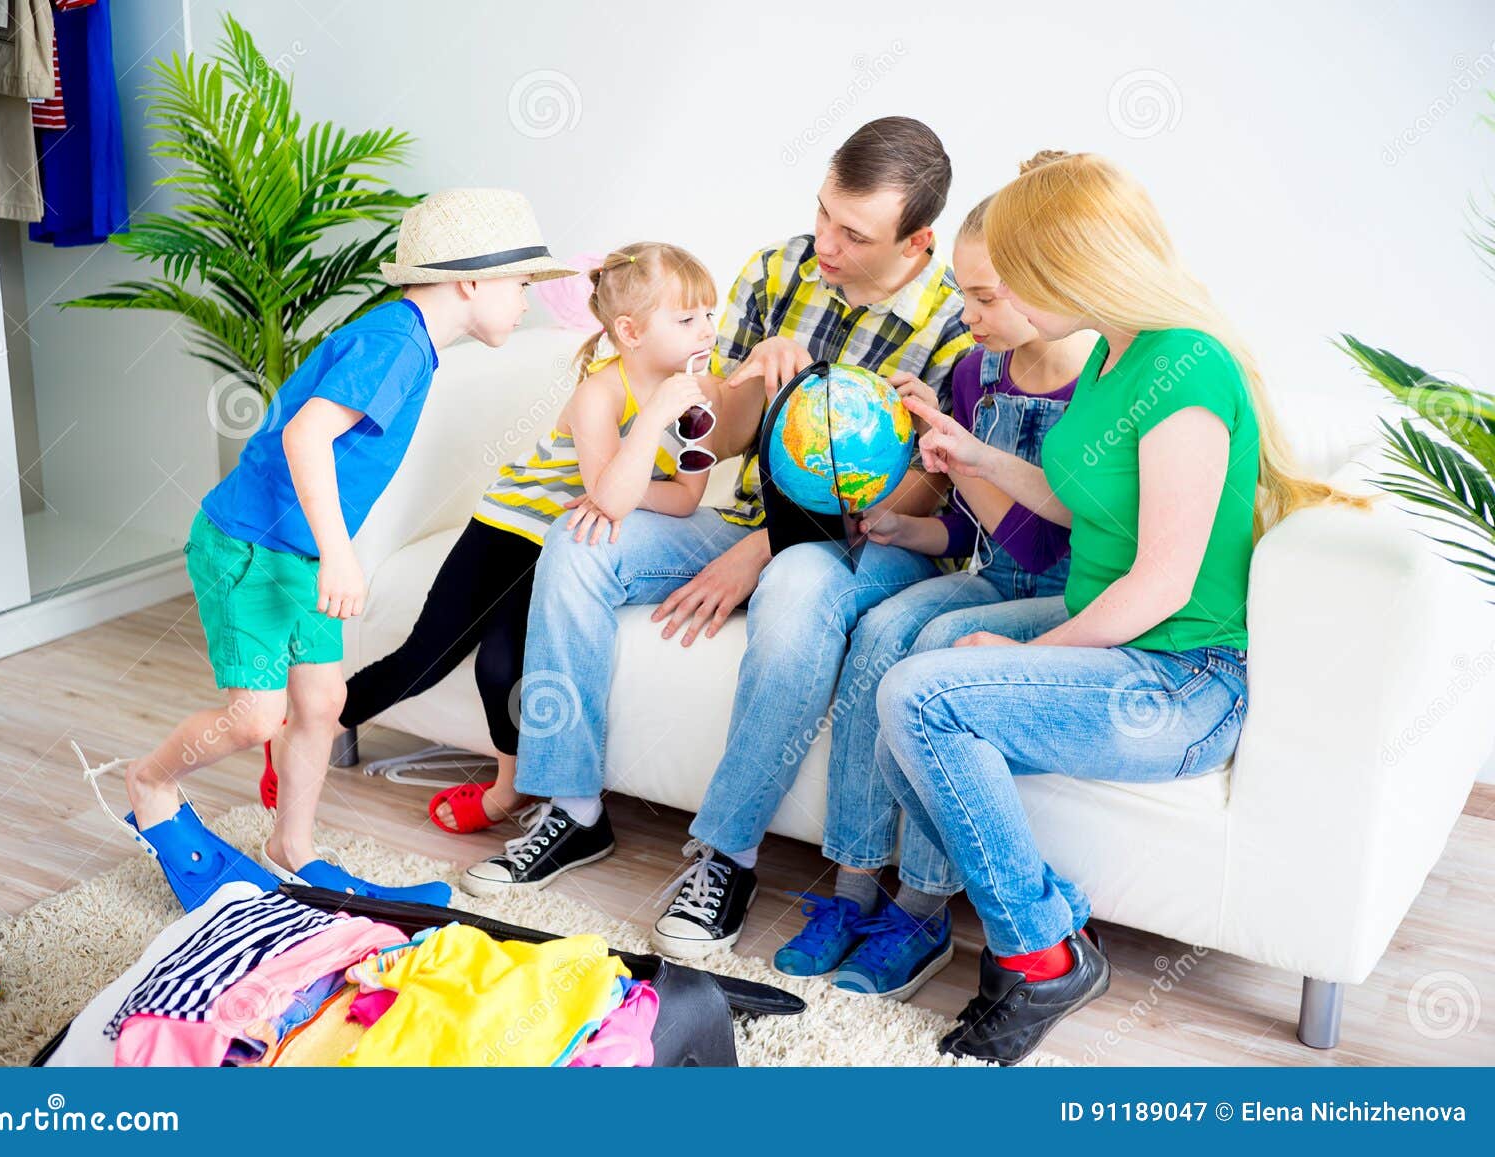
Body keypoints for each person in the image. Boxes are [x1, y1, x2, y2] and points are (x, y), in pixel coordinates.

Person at [884, 153, 1364, 1064]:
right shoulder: (1114, 354)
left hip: (1182, 675)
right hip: (1123, 640)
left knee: (926, 696)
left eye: (1022, 273)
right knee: (919, 661)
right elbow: (1088, 504)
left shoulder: (1186, 364)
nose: (1010, 299)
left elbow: (1164, 583)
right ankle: (1051, 919)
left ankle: (1042, 955)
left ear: (1074, 264)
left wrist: (1035, 654)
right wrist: (977, 459)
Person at [460, 119, 973, 956]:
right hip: (741, 516)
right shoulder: (780, 268)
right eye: (822, 215)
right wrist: (739, 381)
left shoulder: (955, 320)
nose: (826, 244)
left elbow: (933, 485)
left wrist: (770, 546)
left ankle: (726, 855)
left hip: (874, 539)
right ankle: (573, 809)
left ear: (917, 240)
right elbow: (720, 439)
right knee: (582, 540)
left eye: (854, 233)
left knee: (800, 589)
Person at [110, 189, 576, 910]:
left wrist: (324, 549)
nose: (526, 304)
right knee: (258, 717)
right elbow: (304, 435)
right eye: (521, 285)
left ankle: (291, 847)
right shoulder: (394, 345)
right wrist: (339, 552)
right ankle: (151, 781)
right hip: (249, 547)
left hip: (295, 553)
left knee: (323, 703)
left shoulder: (412, 345)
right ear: (472, 281)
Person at [770, 153, 1098, 999]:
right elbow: (966, 525)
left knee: (937, 647)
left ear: (1051, 280)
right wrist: (908, 520)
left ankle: (921, 908)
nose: (967, 312)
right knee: (880, 630)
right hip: (990, 574)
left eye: (986, 298)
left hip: (1061, 593)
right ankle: (849, 889)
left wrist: (963, 451)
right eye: (962, 290)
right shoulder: (973, 370)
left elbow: (1038, 541)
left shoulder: (1103, 387)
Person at [266, 243, 719, 835]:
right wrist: (634, 457)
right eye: (687, 319)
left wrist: (622, 489)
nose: (706, 330)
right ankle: (303, 733)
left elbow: (683, 499)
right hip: (508, 528)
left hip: (565, 550)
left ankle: (512, 790)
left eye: (710, 314)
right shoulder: (601, 394)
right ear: (630, 331)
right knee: (425, 658)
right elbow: (609, 495)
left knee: (502, 667)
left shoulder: (697, 397)